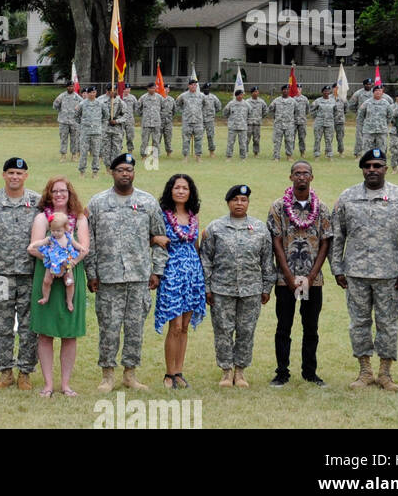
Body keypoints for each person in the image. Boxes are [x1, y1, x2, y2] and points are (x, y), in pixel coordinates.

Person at [330, 148, 398, 391]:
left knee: (388, 324)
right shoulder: (348, 197)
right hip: (356, 274)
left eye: (377, 165)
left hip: (390, 275)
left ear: (385, 169)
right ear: (362, 169)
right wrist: (337, 268)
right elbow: (337, 235)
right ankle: (365, 371)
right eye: (368, 165)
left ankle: (385, 373)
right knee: (358, 323)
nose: (372, 170)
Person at [85, 153, 167, 391]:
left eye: (129, 170)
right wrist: (91, 273)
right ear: (112, 172)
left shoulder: (148, 202)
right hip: (108, 278)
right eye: (120, 169)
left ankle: (130, 375)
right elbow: (90, 242)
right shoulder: (98, 203)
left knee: (134, 329)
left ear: (134, 173)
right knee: (108, 328)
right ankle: (107, 375)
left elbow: (161, 240)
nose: (125, 174)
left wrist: (157, 272)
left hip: (139, 277)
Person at [200, 185, 274, 388]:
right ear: (228, 202)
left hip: (251, 290)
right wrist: (207, 287)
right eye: (235, 200)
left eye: (243, 200)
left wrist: (267, 287)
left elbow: (267, 260)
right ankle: (226, 371)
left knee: (246, 330)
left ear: (248, 203)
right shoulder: (215, 228)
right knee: (223, 330)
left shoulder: (260, 228)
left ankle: (240, 372)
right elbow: (206, 260)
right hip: (221, 290)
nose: (239, 203)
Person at [0, 157, 41, 390]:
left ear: (26, 176)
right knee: (3, 325)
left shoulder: (37, 202)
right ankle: (5, 371)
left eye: (19, 173)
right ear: (3, 175)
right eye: (11, 173)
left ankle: (25, 372)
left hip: (29, 274)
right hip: (1, 275)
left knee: (28, 325)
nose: (15, 177)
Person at [266, 161, 331, 388]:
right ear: (290, 177)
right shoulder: (278, 207)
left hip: (313, 281)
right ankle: (282, 372)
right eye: (297, 173)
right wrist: (287, 275)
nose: (301, 177)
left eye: (305, 173)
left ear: (312, 177)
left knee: (311, 327)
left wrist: (312, 276)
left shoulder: (321, 208)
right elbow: (275, 242)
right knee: (283, 327)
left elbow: (325, 242)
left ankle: (310, 372)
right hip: (286, 281)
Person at [27, 176, 89, 397]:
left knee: (69, 333)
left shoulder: (80, 218)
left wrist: (66, 265)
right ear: (49, 194)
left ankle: (65, 384)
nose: (60, 195)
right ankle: (48, 384)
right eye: (55, 191)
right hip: (47, 277)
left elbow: (83, 249)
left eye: (64, 191)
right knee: (45, 333)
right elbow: (33, 248)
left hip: (71, 274)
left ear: (70, 193)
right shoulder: (42, 219)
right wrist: (53, 263)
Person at [152, 173, 205, 389]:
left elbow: (196, 246)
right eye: (177, 187)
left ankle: (180, 372)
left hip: (192, 274)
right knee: (174, 325)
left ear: (190, 192)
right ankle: (169, 373)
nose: (181, 191)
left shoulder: (194, 216)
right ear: (170, 190)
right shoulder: (161, 215)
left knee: (184, 327)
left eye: (185, 188)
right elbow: (146, 235)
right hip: (172, 272)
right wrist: (154, 238)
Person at [29, 214, 82, 306]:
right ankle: (45, 297)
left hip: (66, 263)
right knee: (46, 281)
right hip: (52, 263)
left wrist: (81, 248)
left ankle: (69, 301)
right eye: (53, 230)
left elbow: (75, 245)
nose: (55, 233)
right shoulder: (50, 239)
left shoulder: (68, 237)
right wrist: (34, 245)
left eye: (58, 231)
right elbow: (41, 242)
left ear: (65, 228)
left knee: (70, 282)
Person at [76, 86, 107, 176]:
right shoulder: (82, 104)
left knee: (96, 153)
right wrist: (82, 125)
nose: (93, 94)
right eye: (91, 92)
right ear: (88, 93)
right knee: (84, 153)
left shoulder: (100, 104)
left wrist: (101, 126)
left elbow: (106, 116)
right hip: (85, 132)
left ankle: (95, 171)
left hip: (97, 132)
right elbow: (76, 116)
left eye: (94, 92)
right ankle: (82, 171)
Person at [357, 84, 393, 154]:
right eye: (376, 90)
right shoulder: (367, 103)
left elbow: (390, 115)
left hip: (381, 131)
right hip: (368, 131)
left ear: (382, 92)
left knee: (381, 151)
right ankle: (368, 164)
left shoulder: (386, 103)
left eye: (380, 90)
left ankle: (379, 164)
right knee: (367, 151)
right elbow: (360, 116)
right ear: (373, 92)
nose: (378, 92)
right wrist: (362, 127)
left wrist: (384, 124)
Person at [177, 80, 205, 162]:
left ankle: (198, 157)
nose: (194, 86)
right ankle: (185, 157)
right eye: (192, 85)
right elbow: (177, 105)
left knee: (199, 140)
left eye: (195, 85)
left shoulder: (201, 96)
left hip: (198, 121)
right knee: (186, 140)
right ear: (188, 86)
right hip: (187, 122)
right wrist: (184, 112)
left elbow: (205, 105)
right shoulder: (183, 96)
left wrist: (199, 113)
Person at [54, 82, 81, 162]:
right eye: (69, 86)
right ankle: (63, 156)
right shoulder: (61, 96)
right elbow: (55, 105)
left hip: (74, 122)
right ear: (66, 87)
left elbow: (83, 106)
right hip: (63, 121)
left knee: (75, 139)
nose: (71, 88)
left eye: (72, 86)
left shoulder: (77, 97)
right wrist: (61, 111)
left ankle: (74, 155)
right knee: (63, 139)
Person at [138, 82, 165, 159]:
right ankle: (144, 155)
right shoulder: (143, 98)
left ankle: (155, 155)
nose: (153, 90)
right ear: (148, 89)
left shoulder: (159, 97)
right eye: (151, 88)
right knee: (145, 141)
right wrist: (143, 116)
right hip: (146, 123)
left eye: (154, 88)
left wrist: (159, 116)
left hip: (156, 123)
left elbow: (164, 108)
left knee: (156, 140)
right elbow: (138, 108)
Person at [348, 78, 375, 156]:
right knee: (359, 137)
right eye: (367, 84)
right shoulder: (358, 93)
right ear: (364, 85)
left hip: (373, 119)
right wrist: (358, 112)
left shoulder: (375, 92)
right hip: (361, 119)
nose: (369, 86)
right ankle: (358, 153)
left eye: (370, 84)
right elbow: (351, 105)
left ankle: (370, 153)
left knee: (372, 137)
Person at [311, 85, 338, 159]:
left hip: (329, 123)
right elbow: (312, 110)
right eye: (325, 91)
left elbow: (336, 111)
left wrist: (331, 118)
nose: (327, 92)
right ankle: (316, 155)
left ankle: (329, 155)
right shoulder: (318, 101)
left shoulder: (333, 101)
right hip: (319, 123)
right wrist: (317, 118)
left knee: (329, 139)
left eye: (328, 91)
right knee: (317, 139)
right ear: (322, 92)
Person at [269, 85, 296, 160]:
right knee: (277, 141)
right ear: (281, 91)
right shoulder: (276, 100)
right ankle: (276, 157)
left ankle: (289, 156)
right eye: (284, 89)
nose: (286, 91)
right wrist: (276, 118)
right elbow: (271, 109)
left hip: (289, 125)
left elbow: (296, 111)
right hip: (278, 125)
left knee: (289, 141)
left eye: (287, 89)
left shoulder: (293, 101)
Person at [223, 89, 249, 159]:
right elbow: (225, 113)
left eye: (242, 94)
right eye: (240, 94)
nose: (242, 96)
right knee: (230, 143)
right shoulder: (231, 104)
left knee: (243, 143)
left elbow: (250, 113)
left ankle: (243, 157)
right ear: (237, 95)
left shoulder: (246, 104)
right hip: (233, 127)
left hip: (243, 127)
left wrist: (244, 120)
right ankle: (229, 157)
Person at [247, 86, 269, 157]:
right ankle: (245, 152)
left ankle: (256, 153)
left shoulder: (261, 102)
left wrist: (260, 117)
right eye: (255, 92)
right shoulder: (247, 102)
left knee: (256, 139)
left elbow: (266, 110)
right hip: (249, 123)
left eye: (257, 91)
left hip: (257, 123)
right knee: (246, 139)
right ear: (252, 93)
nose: (257, 93)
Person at [202, 83, 220, 155]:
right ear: (203, 89)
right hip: (200, 120)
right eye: (206, 88)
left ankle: (211, 151)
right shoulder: (199, 97)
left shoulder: (213, 97)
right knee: (199, 136)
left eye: (208, 88)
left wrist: (213, 113)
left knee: (210, 136)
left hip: (210, 120)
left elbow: (218, 106)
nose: (207, 89)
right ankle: (198, 152)